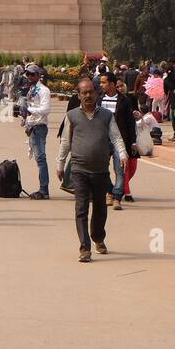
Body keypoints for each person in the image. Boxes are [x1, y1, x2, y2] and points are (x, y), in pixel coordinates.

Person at [56, 77, 128, 262]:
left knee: (100, 210)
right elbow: (65, 142)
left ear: (96, 93)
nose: (88, 95)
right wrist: (60, 164)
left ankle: (98, 238)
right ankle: (84, 247)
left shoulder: (106, 115)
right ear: (78, 95)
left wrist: (123, 154)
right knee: (81, 209)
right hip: (79, 169)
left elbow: (116, 137)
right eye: (84, 92)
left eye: (91, 92)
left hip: (100, 171)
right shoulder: (72, 116)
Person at [99, 72, 136, 210]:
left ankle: (117, 197)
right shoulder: (99, 99)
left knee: (119, 169)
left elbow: (130, 123)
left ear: (112, 84)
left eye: (104, 82)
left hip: (119, 140)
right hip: (102, 139)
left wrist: (133, 141)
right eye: (101, 82)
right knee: (101, 168)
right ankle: (110, 190)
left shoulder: (124, 101)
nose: (101, 85)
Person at [24, 63, 51, 200]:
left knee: (41, 158)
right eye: (27, 74)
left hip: (40, 126)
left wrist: (29, 110)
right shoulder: (32, 89)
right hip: (33, 125)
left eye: (32, 74)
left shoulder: (43, 90)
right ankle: (43, 188)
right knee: (39, 158)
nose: (29, 76)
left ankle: (44, 190)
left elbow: (45, 109)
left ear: (39, 75)